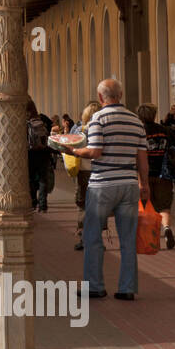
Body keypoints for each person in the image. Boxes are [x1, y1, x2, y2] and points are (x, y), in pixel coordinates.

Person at [73, 79, 149, 300]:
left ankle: (95, 285)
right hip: (128, 183)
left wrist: (73, 151)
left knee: (93, 235)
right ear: (121, 94)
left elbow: (95, 151)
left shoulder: (98, 118)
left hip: (102, 184)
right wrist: (144, 184)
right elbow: (142, 158)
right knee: (127, 238)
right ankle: (127, 288)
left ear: (100, 97)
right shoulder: (136, 121)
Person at [137, 103, 175, 250]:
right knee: (164, 207)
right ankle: (167, 228)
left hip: (144, 175)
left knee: (145, 206)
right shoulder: (165, 131)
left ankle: (149, 236)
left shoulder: (139, 132)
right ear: (154, 115)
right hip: (164, 174)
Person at [72, 101, 101, 250]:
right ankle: (98, 238)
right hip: (100, 170)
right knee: (99, 205)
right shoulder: (104, 129)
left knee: (83, 204)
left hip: (83, 170)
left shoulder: (80, 130)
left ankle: (83, 235)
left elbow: (71, 148)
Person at [26, 99, 52, 212]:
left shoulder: (24, 122)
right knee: (43, 179)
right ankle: (43, 205)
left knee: (31, 178)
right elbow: (49, 134)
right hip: (44, 153)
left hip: (30, 154)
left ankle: (33, 202)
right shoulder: (44, 119)